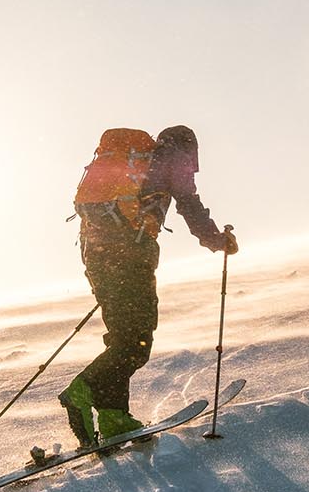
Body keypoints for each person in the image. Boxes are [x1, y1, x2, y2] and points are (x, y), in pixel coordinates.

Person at [59, 125, 238, 447]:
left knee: (124, 338)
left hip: (97, 255)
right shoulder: (171, 157)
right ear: (188, 148)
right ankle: (81, 390)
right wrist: (218, 240)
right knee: (136, 340)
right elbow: (189, 204)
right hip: (128, 256)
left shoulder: (131, 164)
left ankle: (115, 417)